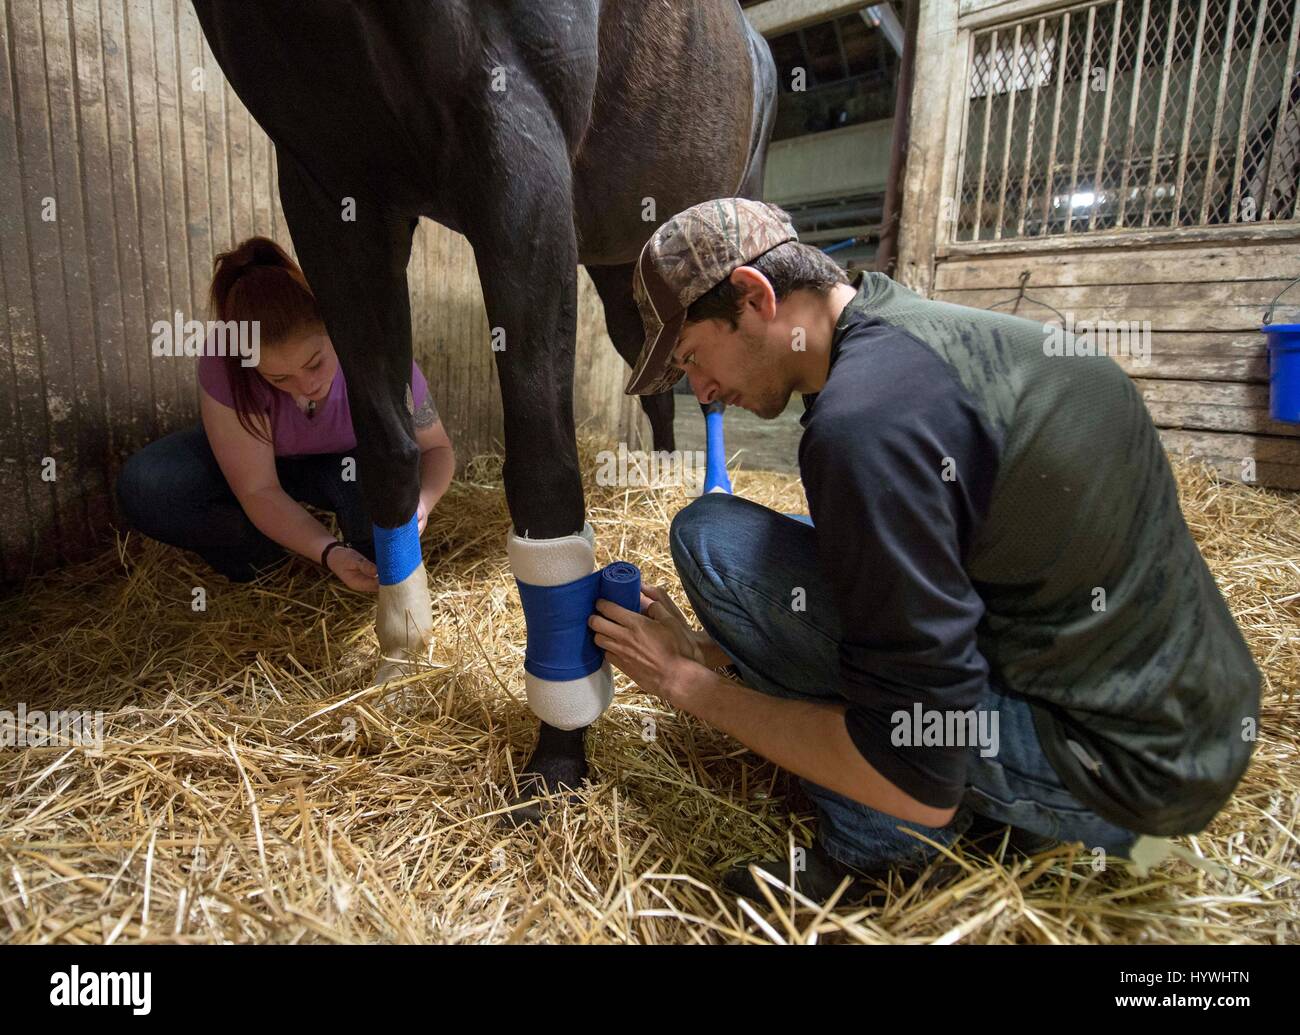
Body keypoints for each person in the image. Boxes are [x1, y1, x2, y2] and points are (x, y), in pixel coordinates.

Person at [589, 198, 1261, 902]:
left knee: (729, 553)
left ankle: (881, 857)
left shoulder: (863, 425)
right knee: (724, 537)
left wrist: (687, 683)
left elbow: (911, 767)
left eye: (694, 358)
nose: (705, 393)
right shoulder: (896, 328)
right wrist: (712, 649)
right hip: (1183, 714)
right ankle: (1007, 814)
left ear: (755, 297)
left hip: (1125, 768)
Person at [116, 237, 455, 591]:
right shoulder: (226, 357)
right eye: (278, 378)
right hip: (262, 464)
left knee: (381, 540)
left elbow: (437, 449)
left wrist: (423, 502)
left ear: (335, 330)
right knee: (149, 484)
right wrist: (326, 552)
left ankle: (359, 545)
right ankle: (265, 561)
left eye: (314, 363)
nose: (305, 385)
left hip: (349, 465)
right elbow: (258, 488)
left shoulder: (373, 349)